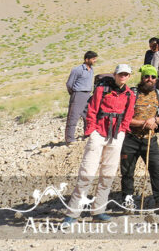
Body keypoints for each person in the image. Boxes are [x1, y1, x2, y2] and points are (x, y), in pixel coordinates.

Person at [63, 64, 136, 223]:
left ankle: (98, 211)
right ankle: (72, 213)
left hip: (116, 136)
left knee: (107, 175)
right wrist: (91, 130)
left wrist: (122, 132)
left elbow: (128, 115)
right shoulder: (102, 90)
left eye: (126, 74)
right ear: (115, 74)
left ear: (129, 76)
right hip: (98, 133)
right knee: (86, 173)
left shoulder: (130, 95)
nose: (123, 76)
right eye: (120, 74)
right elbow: (92, 110)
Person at [119, 65, 159, 211]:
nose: (149, 79)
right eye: (147, 76)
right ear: (142, 78)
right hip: (130, 139)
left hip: (150, 139)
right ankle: (127, 203)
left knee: (157, 170)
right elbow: (124, 118)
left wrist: (154, 120)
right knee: (127, 172)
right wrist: (143, 123)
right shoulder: (131, 94)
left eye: (153, 77)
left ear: (156, 79)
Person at [65, 51, 98, 144]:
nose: (95, 61)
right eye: (93, 59)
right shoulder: (77, 70)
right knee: (73, 116)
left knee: (88, 115)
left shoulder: (91, 70)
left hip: (88, 95)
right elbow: (69, 84)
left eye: (95, 59)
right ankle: (69, 139)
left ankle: (87, 134)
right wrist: (74, 94)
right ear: (86, 59)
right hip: (78, 94)